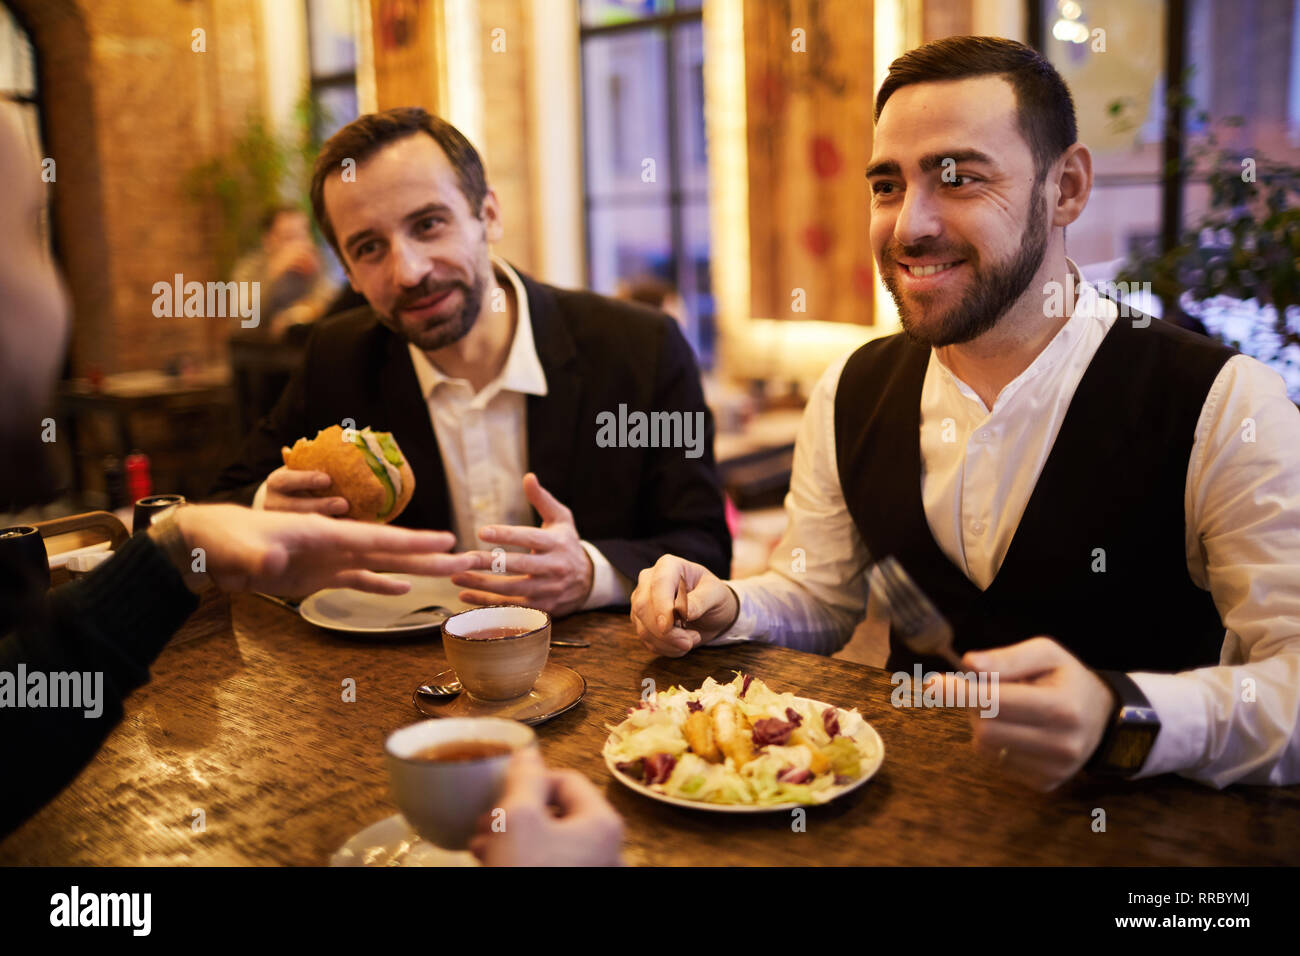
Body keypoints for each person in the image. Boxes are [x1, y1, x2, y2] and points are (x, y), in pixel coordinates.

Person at [631, 36, 1300, 791]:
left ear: (1067, 187)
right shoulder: (850, 388)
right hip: (906, 812)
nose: (909, 225)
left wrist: (1126, 714)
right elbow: (819, 593)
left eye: (957, 178)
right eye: (887, 185)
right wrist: (730, 605)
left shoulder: (1223, 401)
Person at [209, 107, 731, 618]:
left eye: (429, 224)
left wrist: (590, 573)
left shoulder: (642, 348)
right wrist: (266, 511)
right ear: (347, 270)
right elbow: (219, 504)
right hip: (405, 687)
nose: (409, 272)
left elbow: (704, 545)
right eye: (369, 248)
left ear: (489, 214)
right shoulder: (336, 358)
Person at [230, 205, 338, 341]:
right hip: (259, 351)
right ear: (267, 241)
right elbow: (240, 321)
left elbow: (333, 308)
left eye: (303, 236)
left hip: (304, 346)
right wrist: (273, 273)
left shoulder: (318, 261)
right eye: (289, 237)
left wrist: (316, 278)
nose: (299, 244)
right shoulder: (250, 268)